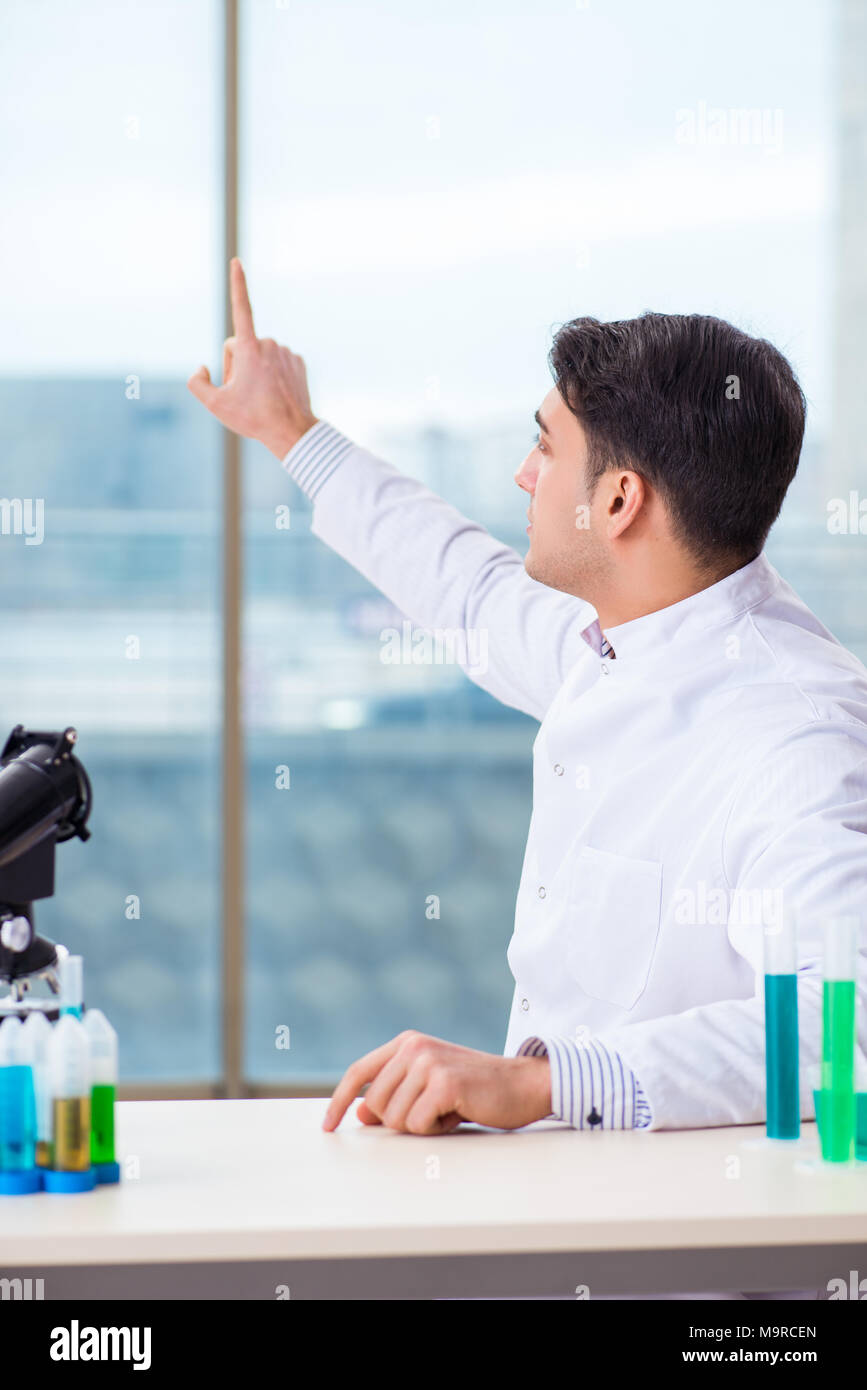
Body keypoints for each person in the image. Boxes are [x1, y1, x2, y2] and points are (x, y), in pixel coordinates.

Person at [189, 260, 867, 1299]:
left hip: (696, 1275)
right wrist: (292, 429)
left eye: (545, 447)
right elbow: (458, 580)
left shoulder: (792, 731)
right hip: (564, 1217)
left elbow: (847, 1024)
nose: (522, 476)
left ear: (621, 500)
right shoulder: (628, 636)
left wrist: (545, 1081)